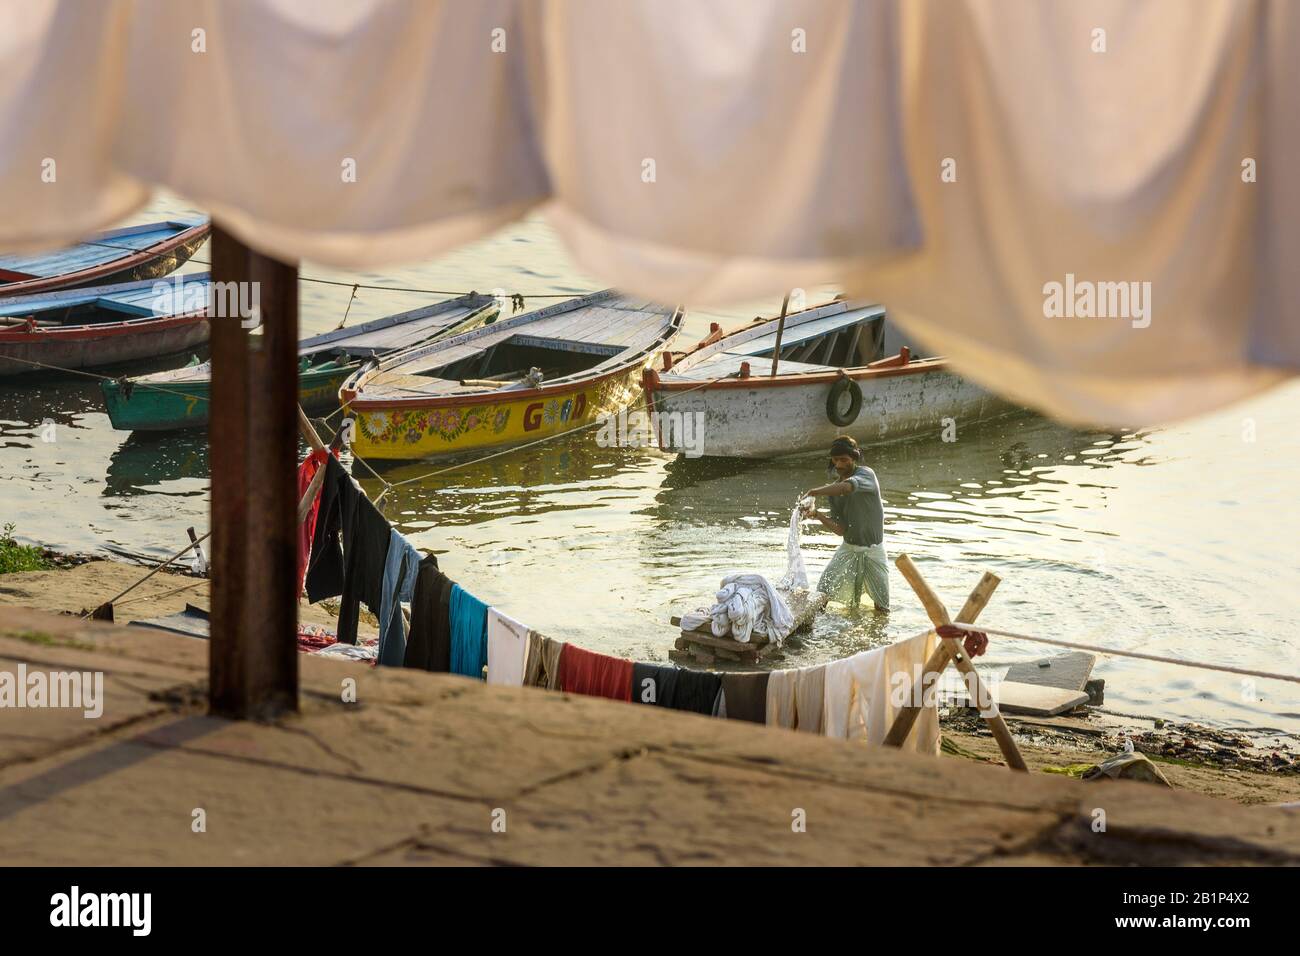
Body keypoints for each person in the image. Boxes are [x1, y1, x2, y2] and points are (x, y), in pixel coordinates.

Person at [801, 435, 890, 611]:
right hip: (848, 548)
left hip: (874, 550)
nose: (840, 465)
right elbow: (841, 529)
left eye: (844, 460)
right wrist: (818, 515)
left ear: (854, 458)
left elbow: (847, 487)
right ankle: (816, 631)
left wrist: (814, 491)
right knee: (822, 593)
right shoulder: (833, 491)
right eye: (836, 460)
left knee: (882, 606)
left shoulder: (866, 474)